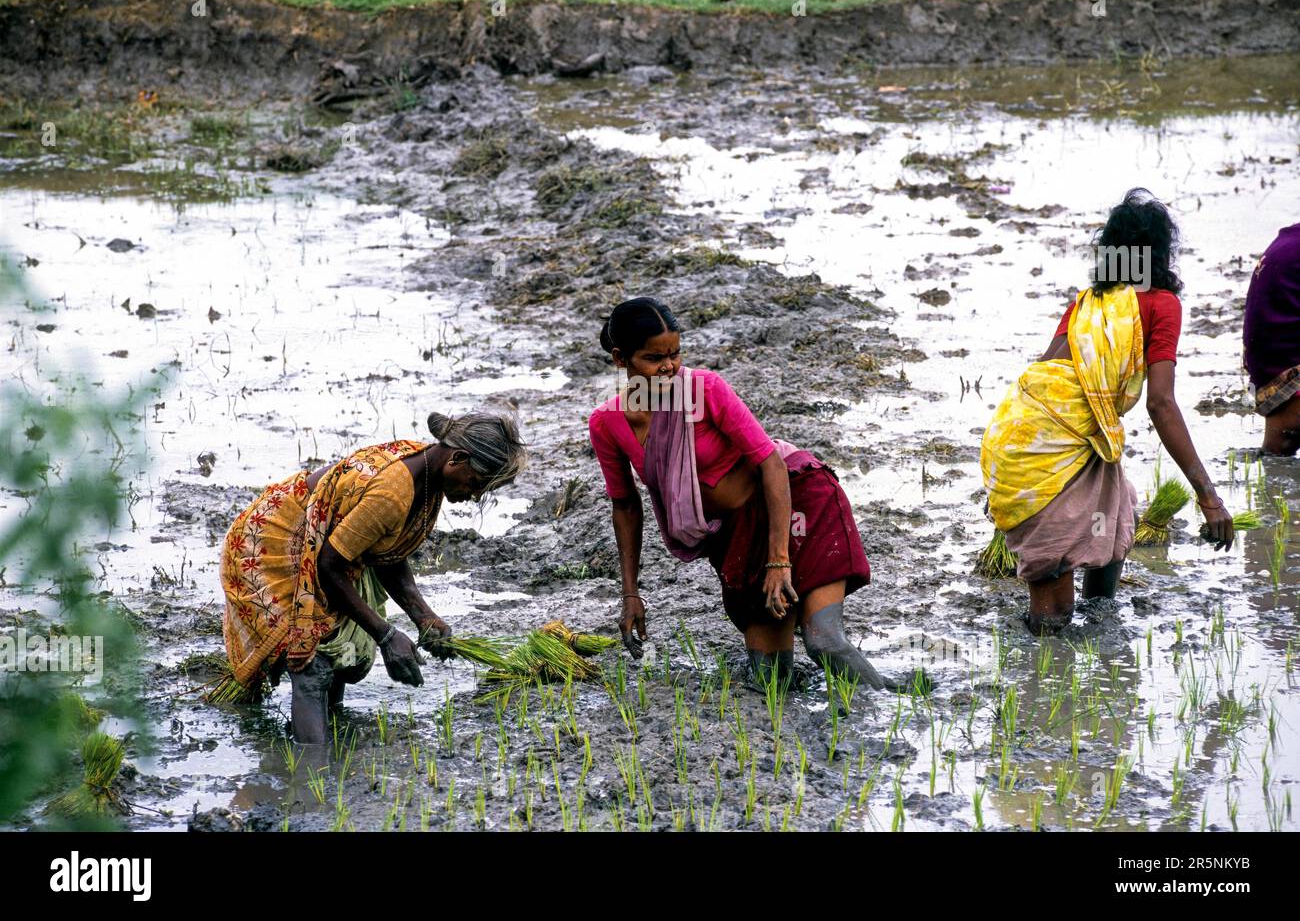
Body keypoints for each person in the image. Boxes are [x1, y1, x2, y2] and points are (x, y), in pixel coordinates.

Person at [588, 296, 911, 691]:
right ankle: (877, 697)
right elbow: (625, 505)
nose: (670, 366)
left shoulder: (704, 390)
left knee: (825, 643)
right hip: (737, 535)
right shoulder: (607, 424)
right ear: (621, 359)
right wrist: (630, 594)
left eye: (675, 353)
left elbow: (770, 464)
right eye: (654, 358)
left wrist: (779, 562)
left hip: (794, 504)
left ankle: (893, 710)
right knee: (770, 679)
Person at [981, 188, 1234, 635]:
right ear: (1159, 253)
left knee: (1116, 513)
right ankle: (1049, 672)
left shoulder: (1089, 303)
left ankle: (1100, 630)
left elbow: (1047, 370)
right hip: (1047, 451)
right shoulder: (1159, 305)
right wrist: (1209, 497)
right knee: (1053, 611)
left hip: (1018, 432)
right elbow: (1160, 402)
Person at [218, 411, 527, 743]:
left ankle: (327, 733)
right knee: (312, 665)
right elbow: (329, 566)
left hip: (317, 545)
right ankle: (310, 776)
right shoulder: (392, 492)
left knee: (334, 654)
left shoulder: (425, 474)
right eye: (477, 483)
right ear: (458, 459)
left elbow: (386, 551)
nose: (475, 495)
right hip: (271, 545)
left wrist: (424, 616)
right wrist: (386, 636)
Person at [1243, 222, 1300, 456]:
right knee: (1280, 449)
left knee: (1278, 451)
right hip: (1285, 355)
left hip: (1268, 361)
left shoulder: (1290, 241)